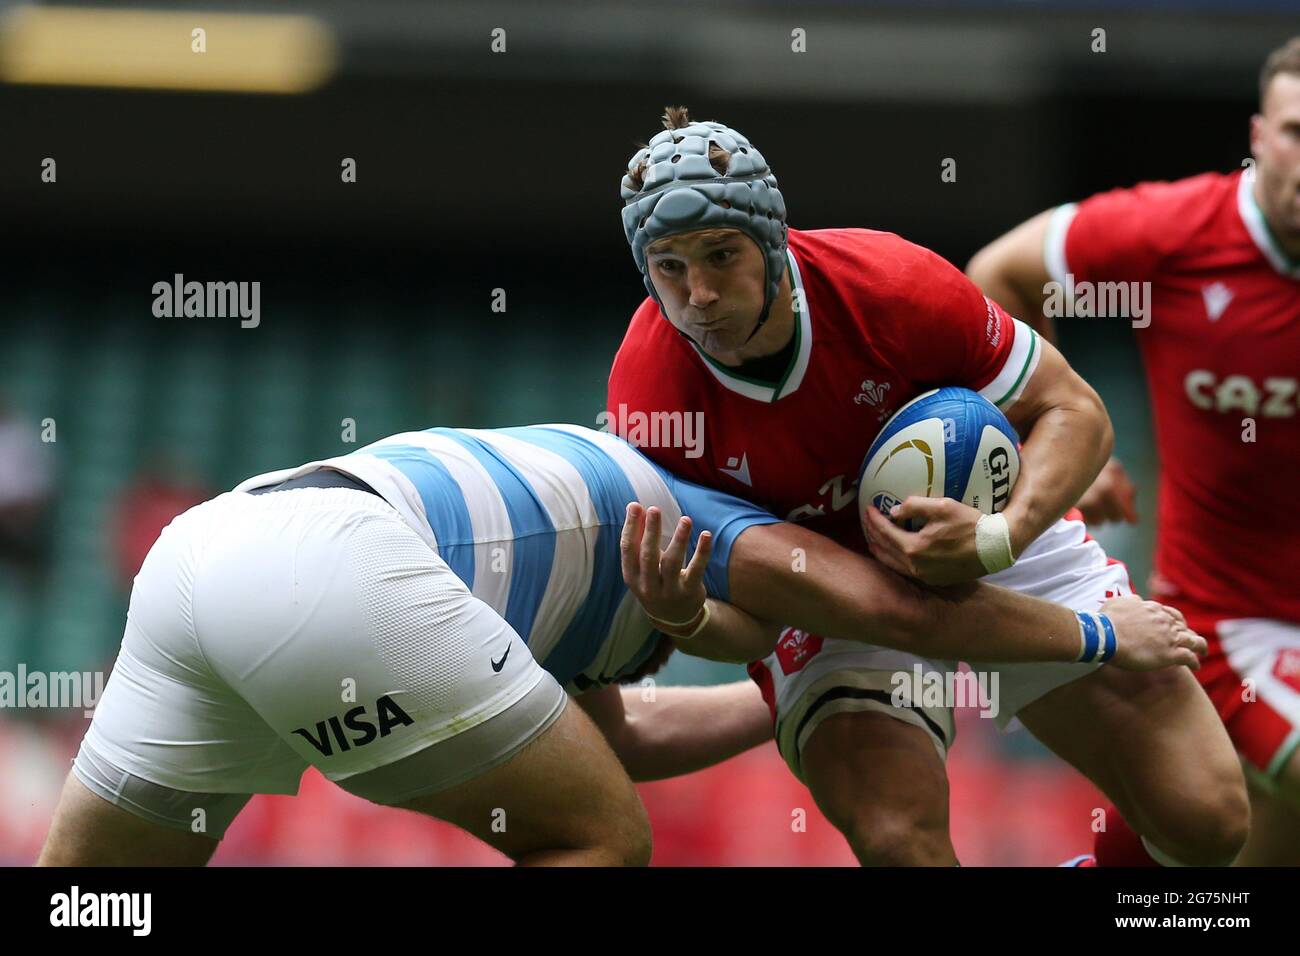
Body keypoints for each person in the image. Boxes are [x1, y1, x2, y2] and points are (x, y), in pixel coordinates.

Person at [39, 424, 1199, 866]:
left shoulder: (571, 564)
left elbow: (620, 730)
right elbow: (896, 611)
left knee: (91, 899)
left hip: (206, 556)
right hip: (334, 565)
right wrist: (1095, 627)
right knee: (596, 839)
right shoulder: (711, 513)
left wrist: (773, 704)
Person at [608, 106, 1248, 865]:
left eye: (721, 255)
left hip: (982, 529)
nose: (700, 294)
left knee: (1206, 819)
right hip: (829, 600)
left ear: (773, 242)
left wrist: (998, 533)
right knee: (897, 839)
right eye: (670, 268)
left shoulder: (889, 285)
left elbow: (1073, 409)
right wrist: (686, 620)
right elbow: (754, 627)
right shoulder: (649, 407)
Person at [965, 36, 1300, 865]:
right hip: (1232, 622)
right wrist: (1058, 443)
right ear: (1259, 136)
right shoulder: (1176, 232)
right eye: (1299, 132)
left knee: (1233, 848)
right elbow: (997, 278)